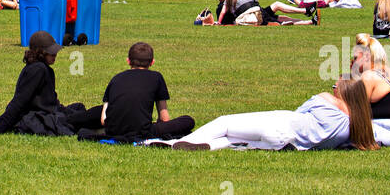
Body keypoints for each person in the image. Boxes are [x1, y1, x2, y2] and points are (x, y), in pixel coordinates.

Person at [161, 79, 378, 151]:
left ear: (343, 92)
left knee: (224, 123)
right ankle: (207, 146)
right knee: (233, 140)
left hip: (281, 124)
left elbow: (299, 111)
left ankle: (173, 143)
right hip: (288, 144)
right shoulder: (352, 128)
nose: (332, 89)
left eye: (335, 86)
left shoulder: (326, 100)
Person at [0, 31, 102, 136]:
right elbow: (20, 101)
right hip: (37, 118)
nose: (55, 54)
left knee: (79, 108)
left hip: (49, 113)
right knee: (82, 118)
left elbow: (51, 102)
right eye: (51, 53)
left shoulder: (45, 69)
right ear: (40, 53)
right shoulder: (37, 70)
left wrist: (66, 111)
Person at [88, 42, 194, 143]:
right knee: (188, 120)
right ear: (152, 62)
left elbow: (103, 120)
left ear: (128, 61)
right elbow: (164, 118)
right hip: (142, 132)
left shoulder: (116, 78)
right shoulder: (156, 77)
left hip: (113, 131)